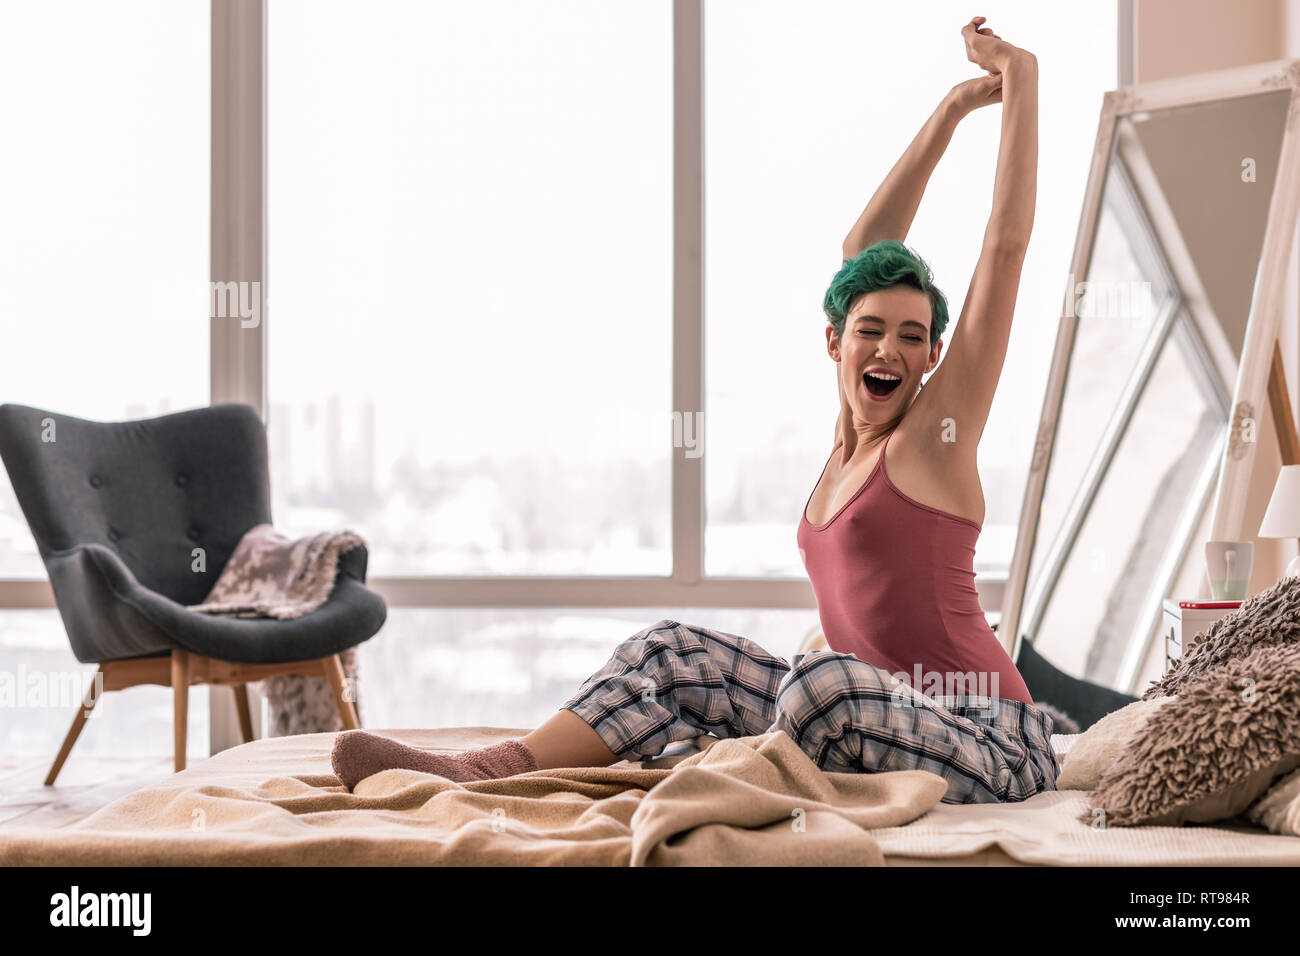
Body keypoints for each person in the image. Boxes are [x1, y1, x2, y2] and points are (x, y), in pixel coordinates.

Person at [332, 16, 1059, 805]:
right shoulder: (844, 447)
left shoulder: (933, 440)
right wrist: (950, 112)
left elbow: (1005, 249)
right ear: (834, 342)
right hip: (871, 709)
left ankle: (736, 774)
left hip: (989, 739)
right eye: (870, 331)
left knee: (820, 686)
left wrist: (1020, 76)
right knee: (673, 652)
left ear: (932, 358)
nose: (888, 350)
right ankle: (488, 770)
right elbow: (864, 250)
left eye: (912, 338)